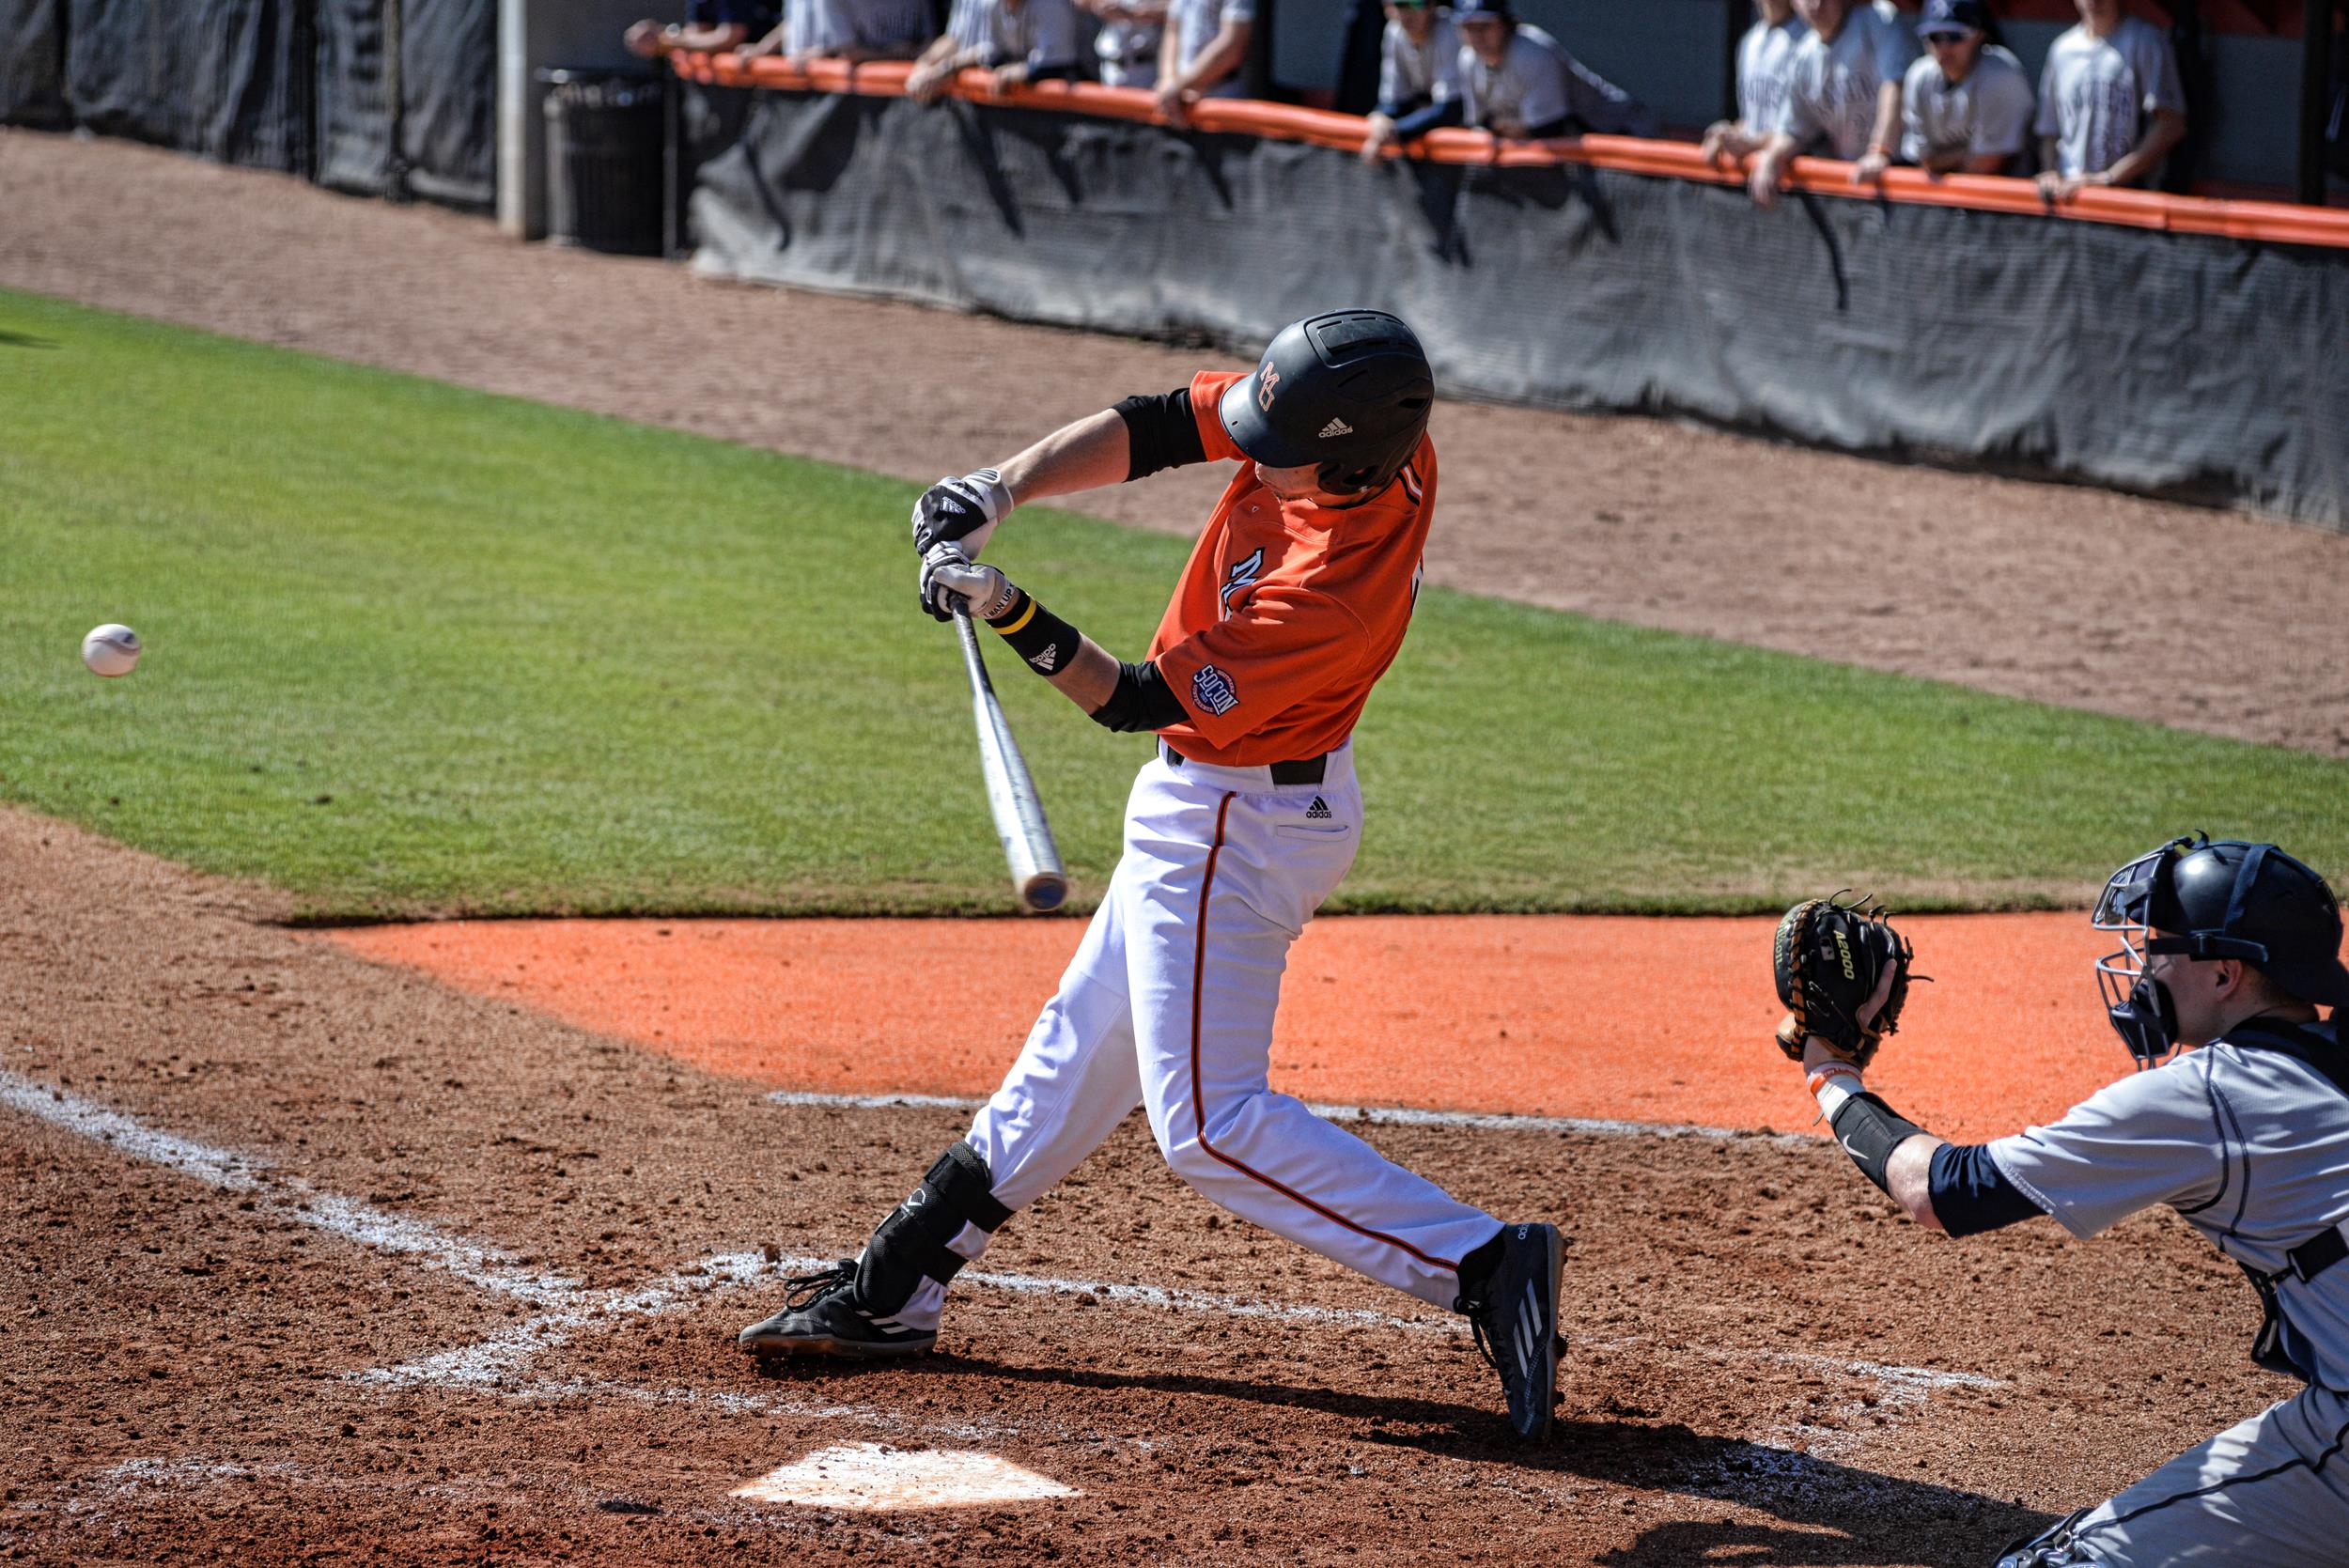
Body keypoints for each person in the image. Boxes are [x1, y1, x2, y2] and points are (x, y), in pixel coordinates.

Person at [736, 309, 1568, 1443]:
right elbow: (1167, 422)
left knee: (1210, 1127)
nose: (1252, 452)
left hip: (1243, 818)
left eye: (1278, 444)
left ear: (1352, 460)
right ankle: (897, 1286)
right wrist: (1000, 487)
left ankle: (1480, 1260)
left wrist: (1010, 609)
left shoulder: (1327, 595)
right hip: (1219, 801)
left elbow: (1132, 698)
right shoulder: (1372, 438)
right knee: (1078, 1051)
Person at [1776, 835, 2349, 1566]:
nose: (2144, 966)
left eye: (2161, 948)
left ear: (2225, 973)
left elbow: (1941, 1189)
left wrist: (1831, 1069)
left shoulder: (2211, 1093)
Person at [1743, 0, 1916, 208]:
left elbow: (1894, 83)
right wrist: (1772, 158)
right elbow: (1795, 131)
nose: (1816, 5)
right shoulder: (1803, 56)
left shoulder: (1875, 18)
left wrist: (1880, 151)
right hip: (1853, 179)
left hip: (1900, 172)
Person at [2032, 0, 2187, 203]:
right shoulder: (2062, 49)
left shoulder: (2146, 40)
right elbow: (2049, 130)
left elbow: (2171, 124)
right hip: (2068, 194)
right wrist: (2049, 171)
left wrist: (2109, 178)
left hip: (2127, 197)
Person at [1439, 0, 1656, 142]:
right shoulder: (1468, 59)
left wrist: (1508, 129)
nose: (1476, 37)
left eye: (1484, 26)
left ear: (1506, 24)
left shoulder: (1532, 52)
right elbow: (1480, 123)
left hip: (1621, 131)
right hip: (1571, 148)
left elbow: (1547, 129)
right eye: (1468, 28)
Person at [1900, 0, 2033, 177]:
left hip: (2006, 197)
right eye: (1935, 37)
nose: (1944, 48)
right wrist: (1966, 154)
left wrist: (1944, 160)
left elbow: (1987, 166)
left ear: (1979, 36)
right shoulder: (1919, 76)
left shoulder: (2000, 75)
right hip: (1944, 198)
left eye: (1955, 36)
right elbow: (1925, 161)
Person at [902, 0, 1081, 101]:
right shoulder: (993, 5)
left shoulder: (1050, 5)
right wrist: (944, 68)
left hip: (1075, 104)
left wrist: (1022, 71)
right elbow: (988, 52)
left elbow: (1059, 63)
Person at [1701, 0, 1808, 168]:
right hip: (1754, 174)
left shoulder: (1809, 42)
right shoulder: (1750, 40)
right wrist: (1729, 134)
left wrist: (1753, 143)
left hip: (1792, 176)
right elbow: (1752, 118)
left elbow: (1809, 131)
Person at [1358, 0, 1462, 163]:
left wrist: (1395, 130)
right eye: (1400, 5)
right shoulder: (1394, 31)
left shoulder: (1451, 30)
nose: (1407, 14)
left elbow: (1451, 109)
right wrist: (1380, 116)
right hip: (1428, 139)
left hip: (1473, 135)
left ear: (1432, 5)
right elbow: (1394, 100)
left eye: (1415, 3)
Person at [1155, 0, 1252, 125]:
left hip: (1222, 104)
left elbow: (1233, 46)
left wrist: (1177, 87)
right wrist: (1168, 81)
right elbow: (1172, 30)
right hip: (1180, 102)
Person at [626, 0, 778, 61]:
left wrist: (667, 41)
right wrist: (664, 35)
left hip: (778, 82)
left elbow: (730, 37)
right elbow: (698, 33)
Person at [1075, 0, 1166, 88]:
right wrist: (1100, 4)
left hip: (1144, 65)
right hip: (1110, 66)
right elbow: (1080, 2)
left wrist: (1131, 13)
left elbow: (1172, 12)